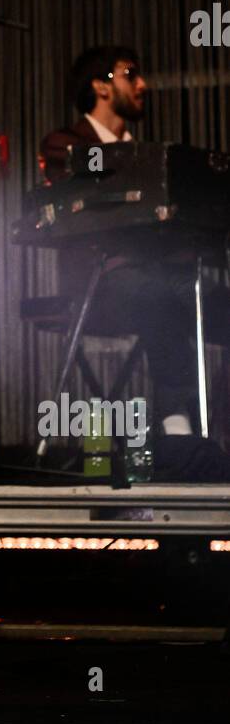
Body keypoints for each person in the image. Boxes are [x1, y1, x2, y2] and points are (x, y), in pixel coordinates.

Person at [40, 45, 230, 478]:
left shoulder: (153, 159)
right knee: (160, 295)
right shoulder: (64, 145)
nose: (142, 84)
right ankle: (178, 427)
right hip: (101, 285)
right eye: (131, 74)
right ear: (101, 85)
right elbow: (80, 208)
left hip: (164, 280)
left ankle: (212, 438)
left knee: (201, 300)